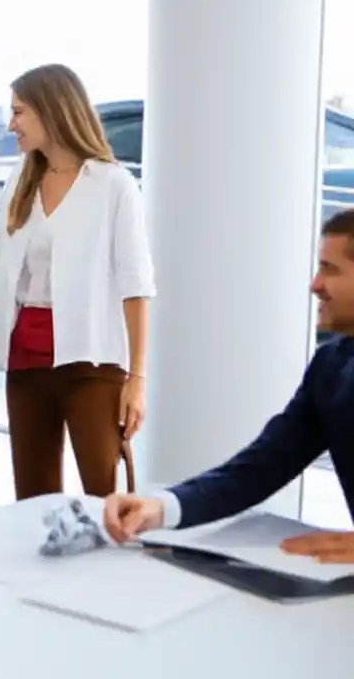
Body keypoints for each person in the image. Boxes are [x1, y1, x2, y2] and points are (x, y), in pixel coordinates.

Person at [105, 209, 354, 562]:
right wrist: (162, 507)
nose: (315, 285)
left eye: (329, 269)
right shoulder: (330, 368)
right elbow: (264, 465)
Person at [0, 63, 156, 500]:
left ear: (52, 112)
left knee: (104, 496)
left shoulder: (113, 185)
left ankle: (106, 570)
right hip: (25, 361)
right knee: (33, 499)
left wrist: (137, 379)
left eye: (19, 112)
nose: (10, 124)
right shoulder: (20, 181)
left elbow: (136, 285)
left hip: (92, 365)